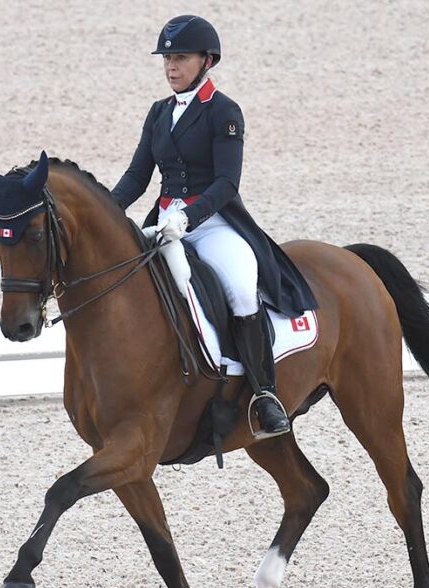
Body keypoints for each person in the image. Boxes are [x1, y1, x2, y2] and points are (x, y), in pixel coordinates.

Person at [111, 15, 319, 440]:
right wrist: (106, 212)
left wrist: (188, 216)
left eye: (180, 58)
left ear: (207, 60)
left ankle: (265, 395)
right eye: (167, 58)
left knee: (242, 289)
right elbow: (137, 177)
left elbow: (227, 183)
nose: (171, 67)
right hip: (165, 223)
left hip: (212, 223)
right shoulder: (158, 113)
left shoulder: (223, 111)